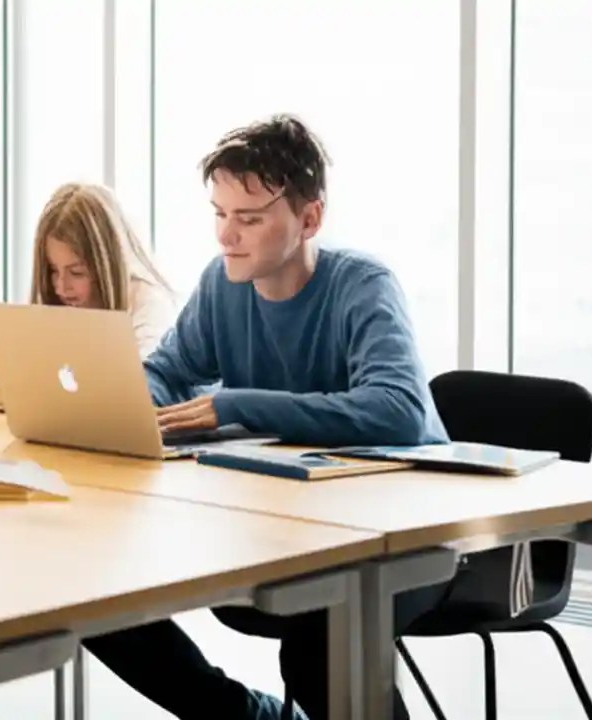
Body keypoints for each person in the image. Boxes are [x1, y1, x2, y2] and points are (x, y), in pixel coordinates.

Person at [82, 115, 451, 720]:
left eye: (248, 219)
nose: (227, 236)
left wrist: (234, 403)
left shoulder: (362, 287)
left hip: (400, 544)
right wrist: (131, 406)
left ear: (310, 219)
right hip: (277, 532)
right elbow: (169, 371)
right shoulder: (222, 286)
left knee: (323, 635)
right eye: (219, 214)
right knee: (92, 594)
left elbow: (398, 410)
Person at [30, 182, 178, 357]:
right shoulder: (61, 306)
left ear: (106, 268)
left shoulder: (149, 307)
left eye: (76, 273)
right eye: (53, 270)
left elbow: (144, 378)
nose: (61, 287)